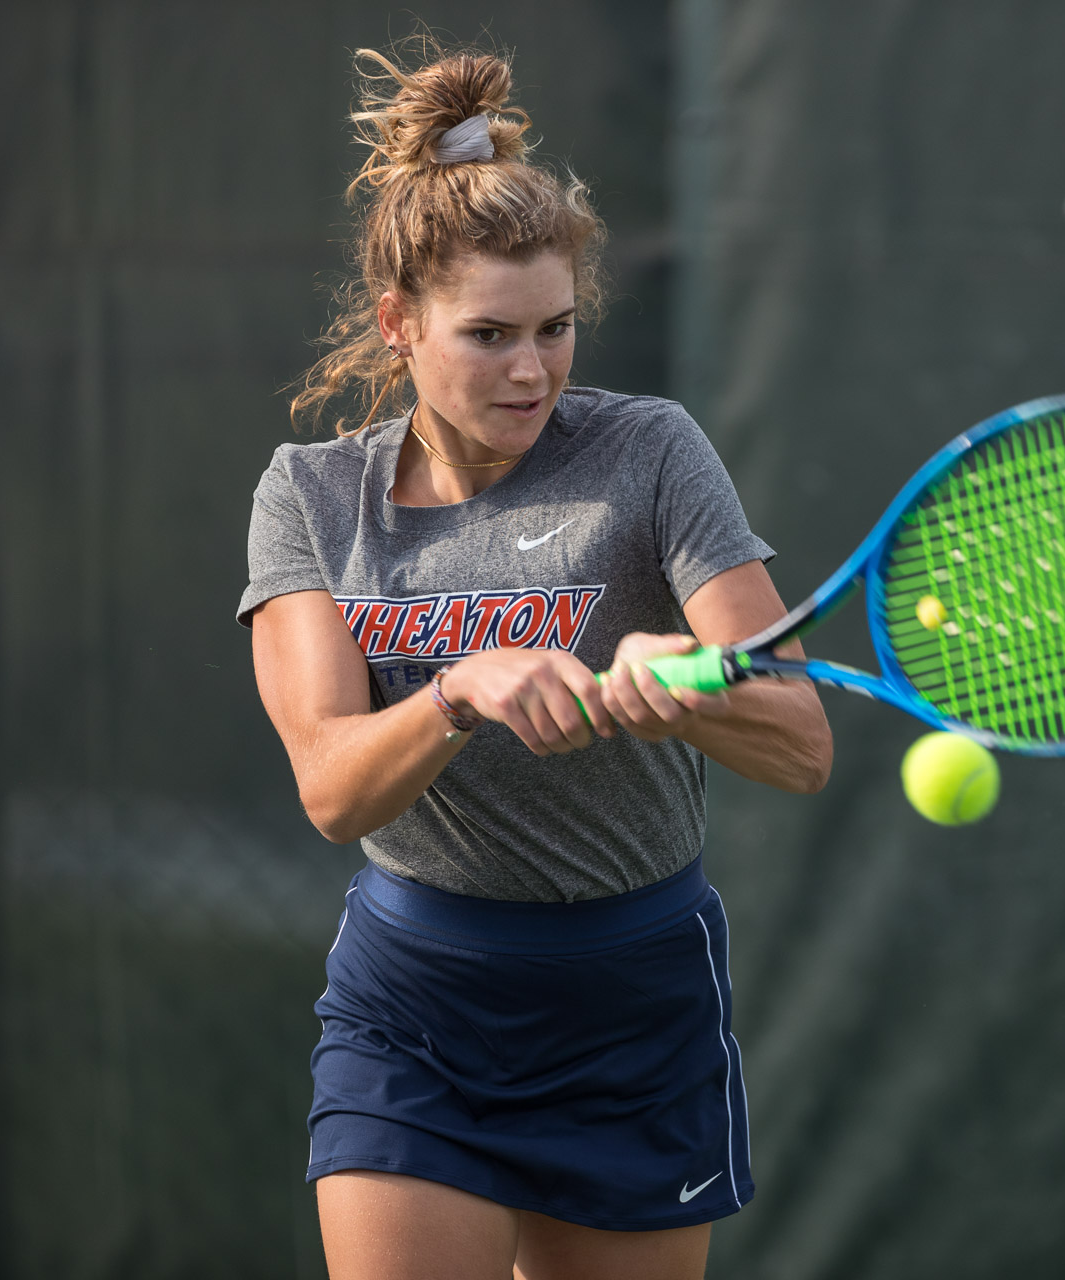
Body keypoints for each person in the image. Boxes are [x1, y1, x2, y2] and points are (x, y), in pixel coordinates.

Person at [236, 42, 832, 1280]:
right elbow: (333, 788)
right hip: (418, 1007)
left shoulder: (653, 453)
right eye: (489, 333)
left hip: (636, 1003)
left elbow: (800, 742)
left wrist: (682, 697)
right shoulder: (312, 497)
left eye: (556, 328)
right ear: (400, 324)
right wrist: (459, 689)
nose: (532, 368)